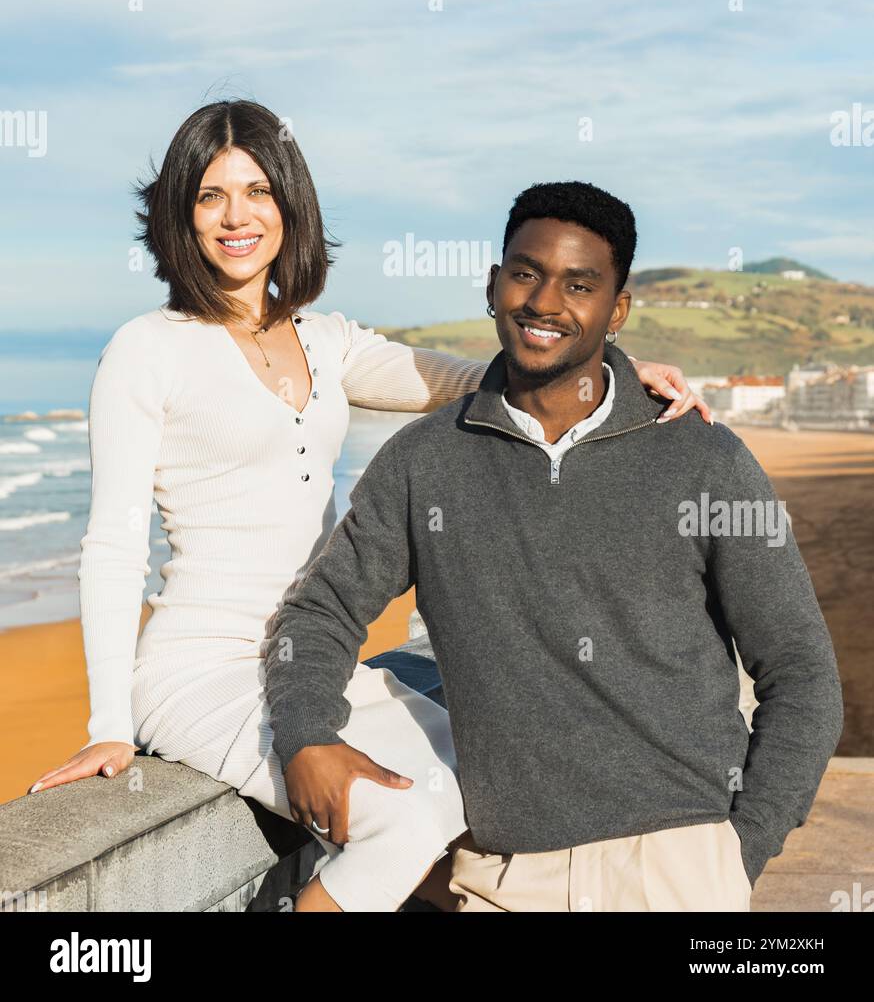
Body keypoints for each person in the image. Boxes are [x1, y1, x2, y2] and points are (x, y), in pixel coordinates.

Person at [27, 104, 707, 914]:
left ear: (290, 204)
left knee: (504, 773)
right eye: (211, 195)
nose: (237, 215)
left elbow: (471, 380)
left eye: (257, 191)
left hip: (315, 661)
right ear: (182, 212)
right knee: (405, 814)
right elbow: (111, 547)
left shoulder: (326, 340)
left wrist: (616, 370)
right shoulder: (147, 348)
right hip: (203, 669)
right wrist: (109, 722)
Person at [264, 180, 844, 913]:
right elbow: (322, 612)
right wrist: (305, 736)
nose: (544, 302)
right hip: (507, 876)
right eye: (526, 273)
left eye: (580, 284)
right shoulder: (423, 463)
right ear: (493, 284)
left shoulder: (703, 459)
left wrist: (740, 848)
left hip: (678, 867)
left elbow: (801, 674)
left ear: (617, 308)